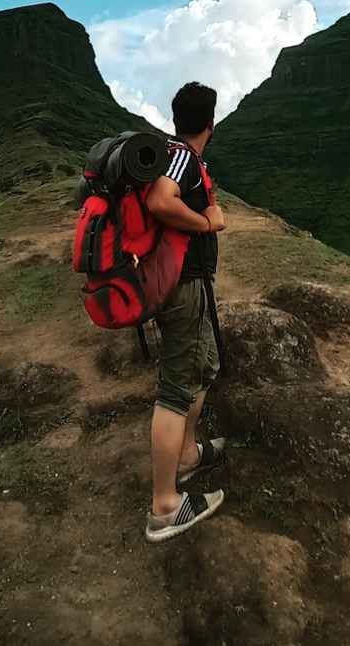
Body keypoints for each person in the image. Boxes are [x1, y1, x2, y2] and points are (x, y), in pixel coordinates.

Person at [143, 81, 227, 542]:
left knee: (204, 366)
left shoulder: (185, 157)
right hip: (183, 288)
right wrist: (206, 222)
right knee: (175, 389)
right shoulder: (180, 157)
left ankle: (188, 455)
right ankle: (164, 506)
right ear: (209, 125)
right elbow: (160, 201)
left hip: (190, 286)